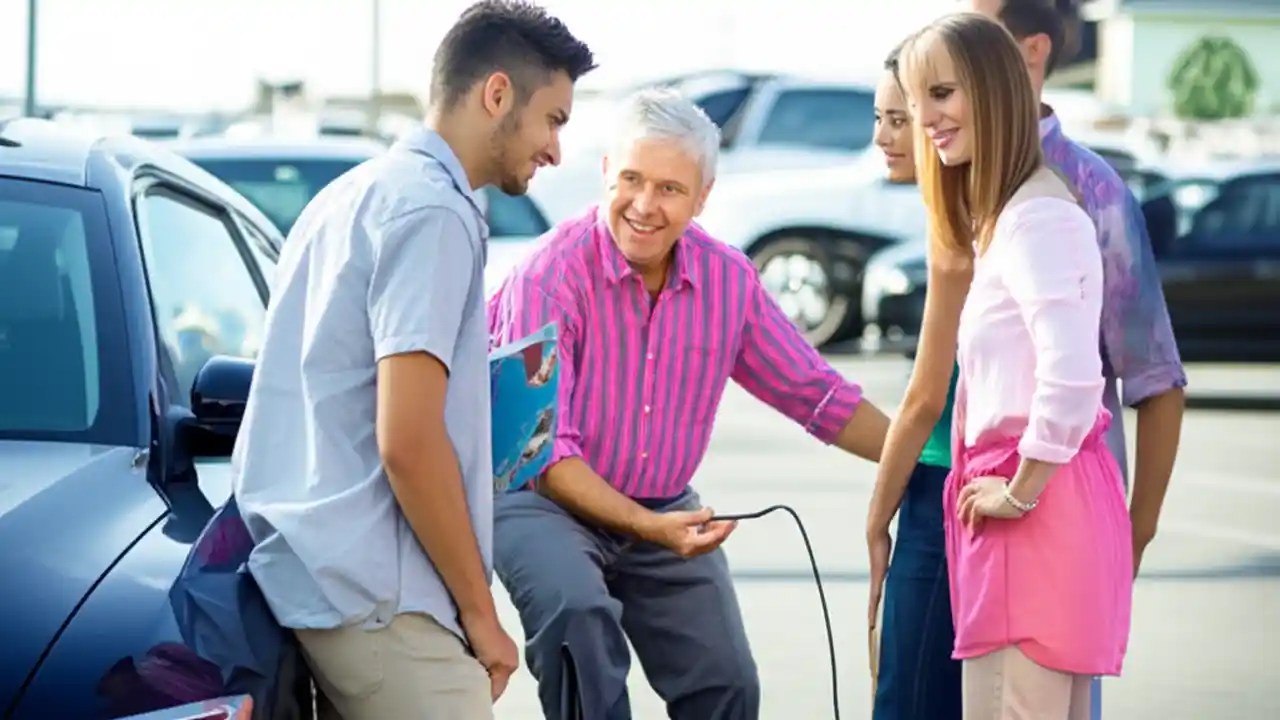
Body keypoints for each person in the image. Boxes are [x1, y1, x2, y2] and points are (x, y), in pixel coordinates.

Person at [229, 2, 595, 718]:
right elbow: (409, 439)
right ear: (497, 95)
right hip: (378, 594)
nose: (555, 150)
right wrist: (481, 617)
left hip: (324, 573)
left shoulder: (352, 194)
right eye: (553, 119)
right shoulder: (432, 211)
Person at [486, 87, 891, 720]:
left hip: (663, 507)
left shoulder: (728, 280)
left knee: (727, 682)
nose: (644, 206)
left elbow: (819, 396)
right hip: (540, 498)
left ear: (703, 198)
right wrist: (649, 528)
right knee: (577, 618)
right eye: (631, 179)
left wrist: (932, 459)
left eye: (670, 189)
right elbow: (541, 452)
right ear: (605, 174)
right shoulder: (547, 276)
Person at [869, 1, 1187, 716]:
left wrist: (1020, 487)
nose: (924, 119)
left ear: (1000, 83)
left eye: (942, 95)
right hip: (1034, 506)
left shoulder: (1039, 214)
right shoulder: (1006, 212)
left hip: (1028, 512)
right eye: (917, 100)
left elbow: (1076, 379)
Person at [865, 41, 965, 720]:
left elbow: (926, 397)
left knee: (908, 701)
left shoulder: (958, 226)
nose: (885, 136)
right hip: (975, 490)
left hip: (946, 490)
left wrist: (877, 520)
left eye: (899, 118)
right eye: (883, 117)